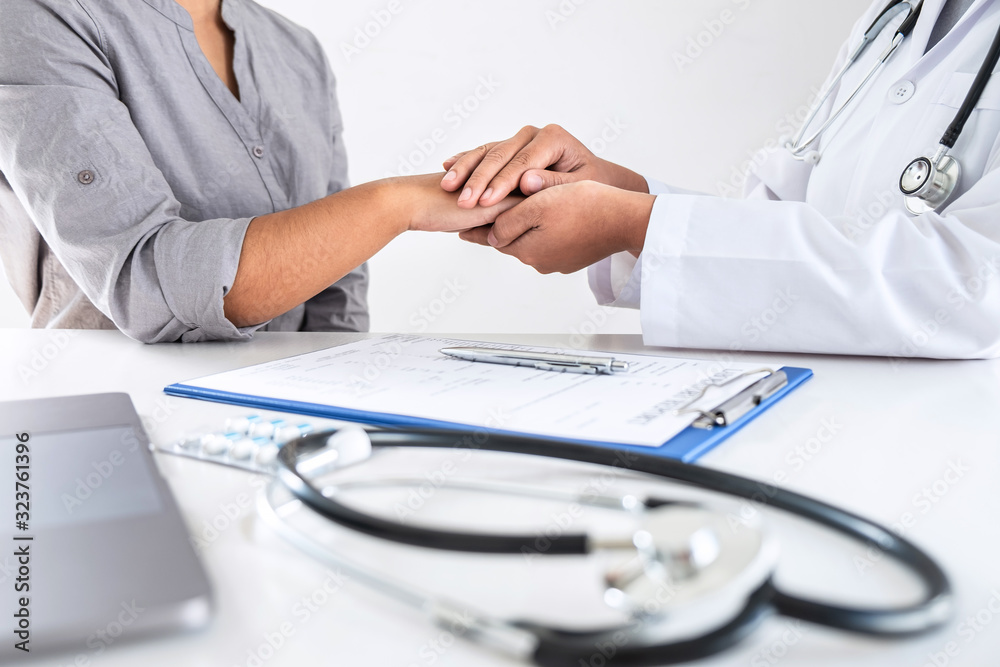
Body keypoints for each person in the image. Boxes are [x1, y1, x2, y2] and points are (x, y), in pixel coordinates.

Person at [441, 0, 1000, 359]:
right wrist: (625, 196)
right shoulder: (888, 19)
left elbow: (975, 289)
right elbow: (785, 226)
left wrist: (634, 223)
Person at [0, 0, 516, 343]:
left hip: (286, 425)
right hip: (111, 428)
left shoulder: (297, 49)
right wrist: (396, 204)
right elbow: (143, 285)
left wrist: (342, 398)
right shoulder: (40, 15)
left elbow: (339, 282)